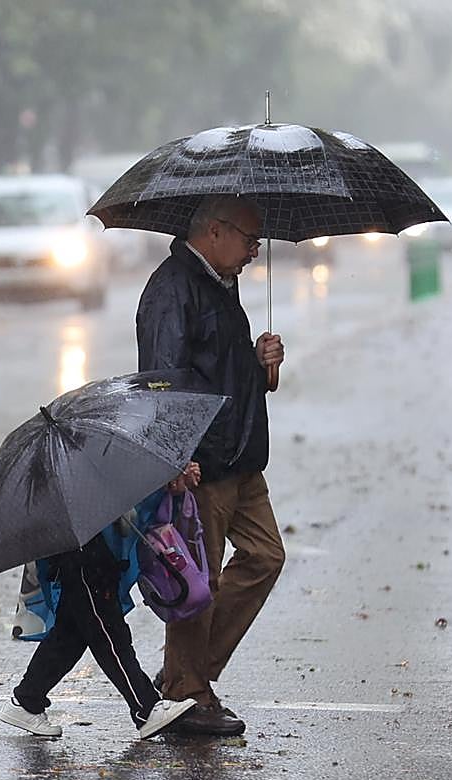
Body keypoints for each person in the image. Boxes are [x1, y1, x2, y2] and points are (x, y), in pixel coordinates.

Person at [135, 195, 287, 737]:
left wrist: (260, 362)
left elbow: (221, 368)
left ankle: (186, 674)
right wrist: (175, 457)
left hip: (241, 458)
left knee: (266, 557)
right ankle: (185, 694)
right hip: (202, 463)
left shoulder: (222, 283)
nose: (254, 250)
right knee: (198, 579)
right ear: (215, 231)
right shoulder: (172, 289)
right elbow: (164, 381)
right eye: (249, 238)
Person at [0, 468, 201, 740]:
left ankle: (27, 700)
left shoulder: (77, 449)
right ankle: (146, 708)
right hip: (81, 552)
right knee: (109, 632)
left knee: (71, 634)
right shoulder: (67, 459)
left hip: (89, 545)